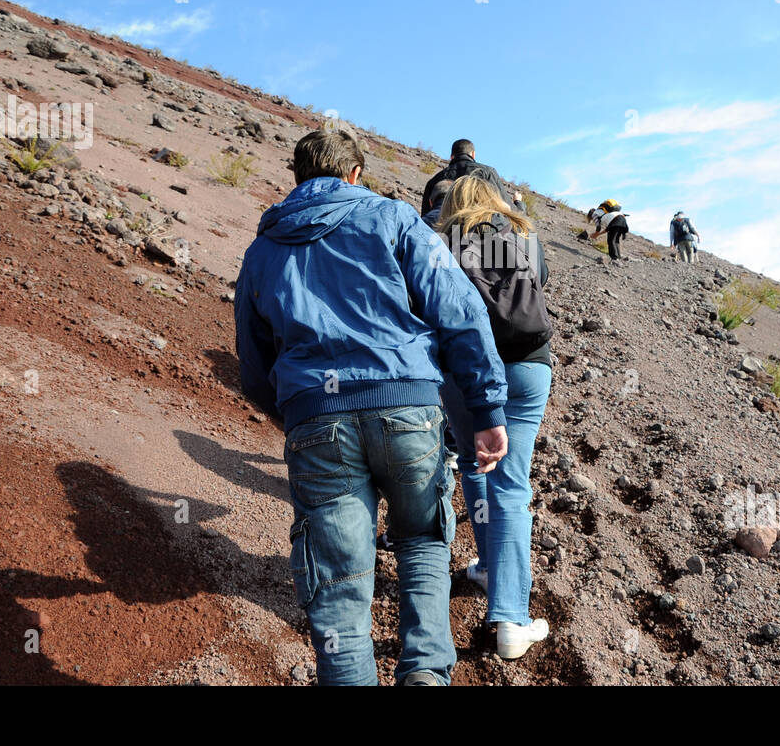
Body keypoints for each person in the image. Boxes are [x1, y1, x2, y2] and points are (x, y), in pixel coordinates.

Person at [235, 128, 510, 686]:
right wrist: (487, 410)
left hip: (317, 421)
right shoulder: (394, 218)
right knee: (424, 542)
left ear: (298, 177)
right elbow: (459, 310)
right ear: (354, 174)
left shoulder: (263, 250)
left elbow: (252, 356)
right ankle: (427, 675)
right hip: (407, 406)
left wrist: (296, 412)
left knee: (337, 588)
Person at [435, 176, 554, 660]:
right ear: (497, 201)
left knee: (472, 461)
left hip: (465, 370)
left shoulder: (441, 242)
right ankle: (511, 617)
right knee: (512, 482)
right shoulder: (524, 237)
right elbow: (540, 284)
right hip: (527, 365)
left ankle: (487, 565)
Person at [420, 138, 507, 216]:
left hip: (447, 230)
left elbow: (426, 215)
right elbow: (506, 207)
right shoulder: (488, 172)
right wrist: (518, 203)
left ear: (451, 157)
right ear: (473, 154)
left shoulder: (435, 180)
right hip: (481, 228)